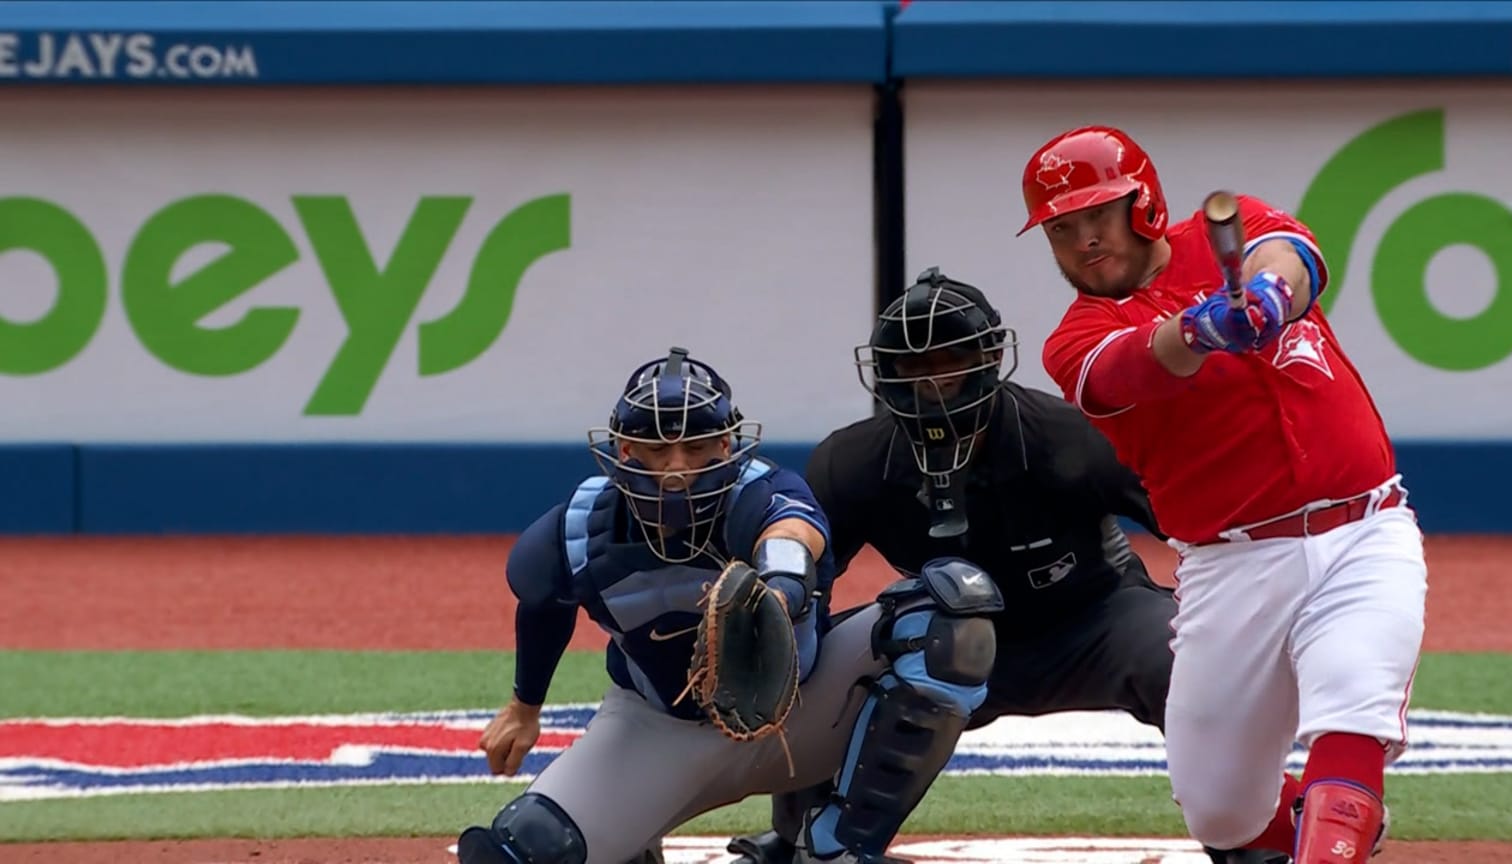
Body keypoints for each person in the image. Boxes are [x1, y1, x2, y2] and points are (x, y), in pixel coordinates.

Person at [1017, 125, 1428, 864]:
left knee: (1352, 714)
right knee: (1222, 813)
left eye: (1097, 216)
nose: (1083, 240)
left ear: (1142, 205)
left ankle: (1338, 816)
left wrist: (1269, 293)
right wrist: (1201, 329)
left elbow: (1289, 257)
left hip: (1361, 532)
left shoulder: (1234, 227)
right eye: (1062, 229)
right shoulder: (1073, 340)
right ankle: (1324, 814)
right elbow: (1134, 365)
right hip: (1230, 568)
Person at [455, 346, 1006, 864]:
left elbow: (793, 533)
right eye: (655, 449)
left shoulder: (763, 493)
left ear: (727, 446)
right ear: (623, 451)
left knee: (948, 616)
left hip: (804, 714)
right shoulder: (576, 531)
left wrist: (779, 589)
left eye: (697, 448)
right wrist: (524, 706)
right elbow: (544, 601)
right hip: (661, 732)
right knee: (525, 848)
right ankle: (632, 840)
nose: (676, 470)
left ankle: (836, 847)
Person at [728, 267, 1204, 864]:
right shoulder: (853, 460)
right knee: (817, 674)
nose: (933, 383)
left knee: (1190, 660)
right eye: (915, 367)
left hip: (1094, 621)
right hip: (943, 645)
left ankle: (1247, 839)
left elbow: (1193, 523)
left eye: (950, 362)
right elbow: (808, 591)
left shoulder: (1067, 437)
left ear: (986, 360)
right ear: (889, 374)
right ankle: (802, 838)